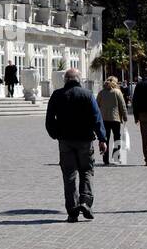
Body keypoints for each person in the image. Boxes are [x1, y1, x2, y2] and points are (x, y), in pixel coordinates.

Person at [46, 69, 108, 222]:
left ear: (65, 80)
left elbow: (49, 119)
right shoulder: (87, 94)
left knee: (69, 175)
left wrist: (55, 134)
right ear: (79, 79)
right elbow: (96, 117)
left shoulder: (57, 95)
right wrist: (102, 138)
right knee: (86, 171)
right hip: (85, 140)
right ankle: (85, 202)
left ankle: (72, 210)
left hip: (65, 140)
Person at [97, 76, 128, 165]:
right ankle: (116, 157)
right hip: (115, 119)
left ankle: (105, 159)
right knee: (117, 138)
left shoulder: (101, 92)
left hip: (104, 119)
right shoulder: (117, 92)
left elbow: (97, 105)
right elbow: (122, 105)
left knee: (105, 139)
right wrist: (125, 117)